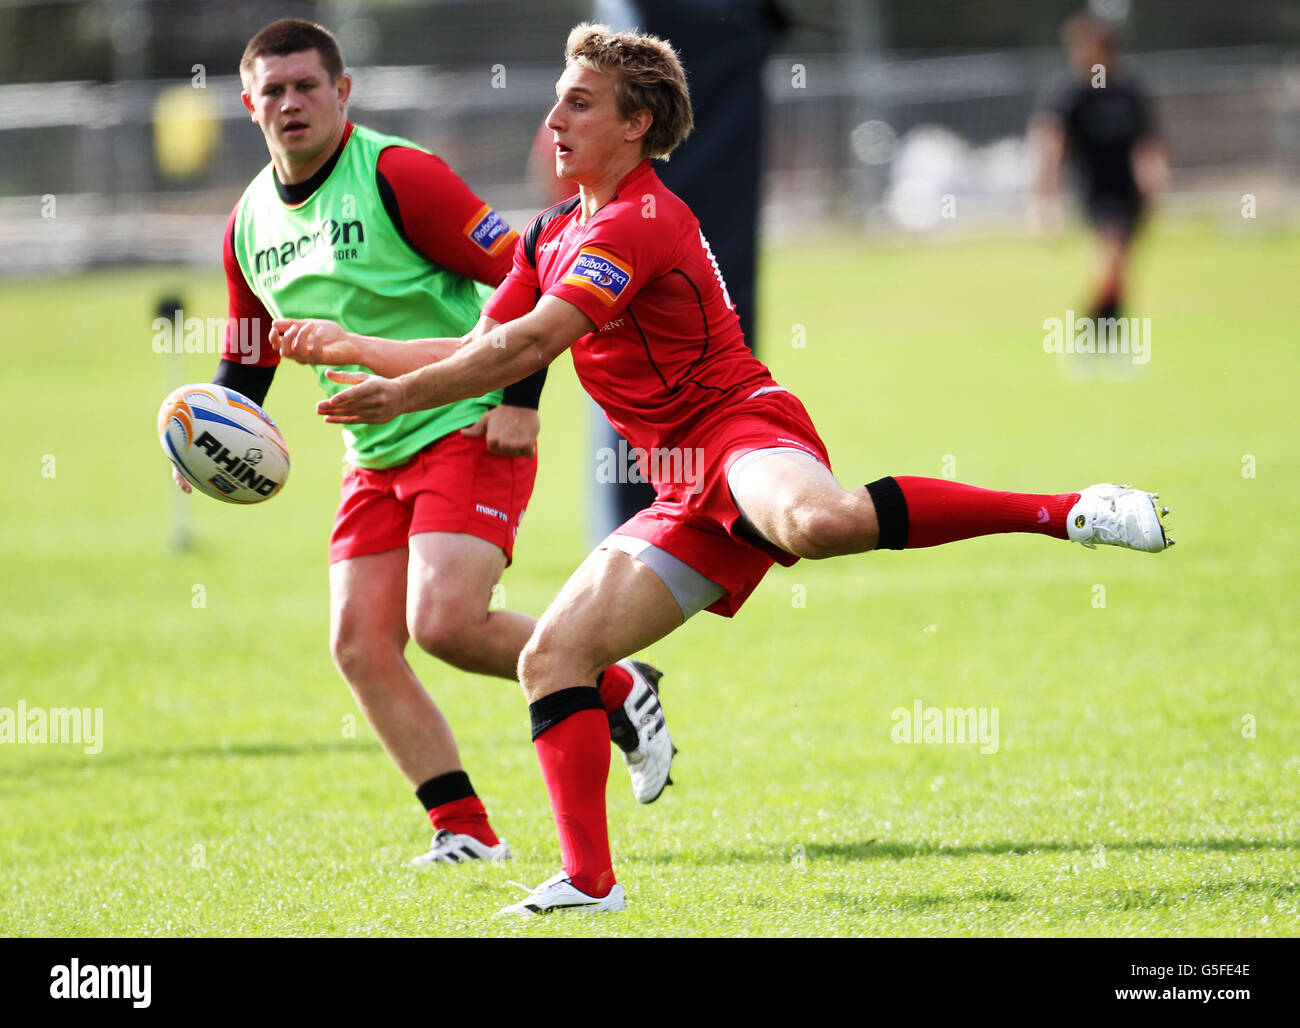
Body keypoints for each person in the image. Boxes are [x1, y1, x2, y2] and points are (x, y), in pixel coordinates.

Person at [272, 22, 1174, 916]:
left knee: (818, 524)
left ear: (636, 124)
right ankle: (589, 884)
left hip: (739, 432)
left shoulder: (636, 222)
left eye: (579, 102)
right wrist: (361, 347)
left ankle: (1073, 509)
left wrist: (406, 395)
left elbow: (530, 344)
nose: (554, 115)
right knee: (554, 656)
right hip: (680, 483)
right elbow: (477, 340)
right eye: (558, 96)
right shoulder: (555, 231)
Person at [179, 18, 675, 870]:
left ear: (343, 93)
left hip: (463, 419)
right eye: (274, 90)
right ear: (248, 101)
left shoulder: (399, 176)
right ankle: (465, 828)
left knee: (443, 622)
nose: (291, 103)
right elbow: (247, 359)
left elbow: (535, 278)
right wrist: (198, 433)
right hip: (370, 449)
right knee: (360, 644)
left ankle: (617, 682)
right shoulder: (246, 223)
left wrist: (521, 399)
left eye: (308, 86)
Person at [1028, 12, 1170, 335]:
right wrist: (1043, 200)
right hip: (1094, 192)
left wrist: (1154, 178)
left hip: (1129, 193)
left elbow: (1148, 142)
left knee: (1120, 270)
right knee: (1111, 261)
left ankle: (1104, 338)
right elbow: (1049, 143)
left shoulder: (1128, 91)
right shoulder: (1070, 93)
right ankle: (1090, 334)